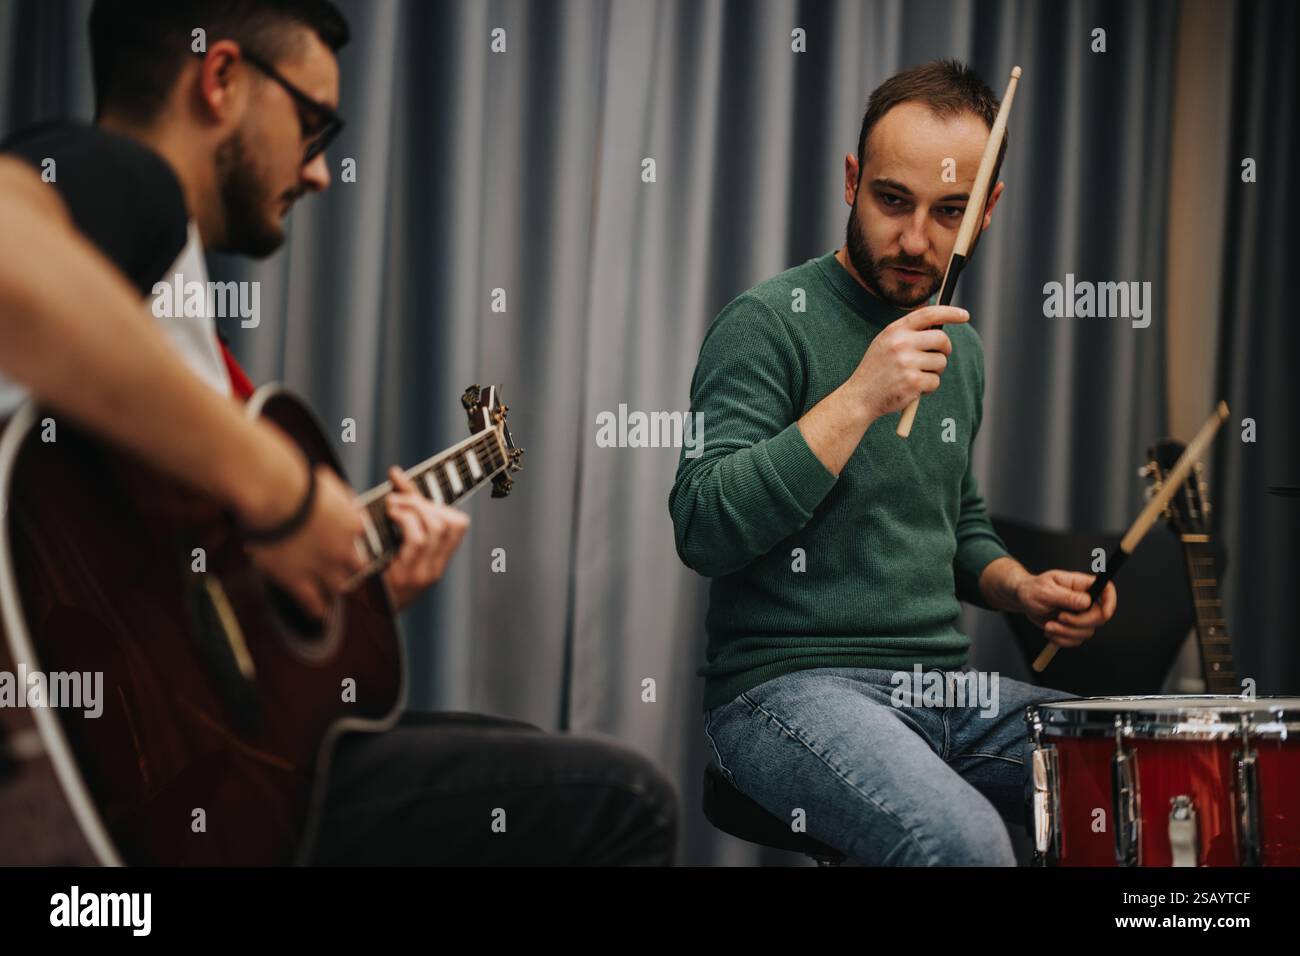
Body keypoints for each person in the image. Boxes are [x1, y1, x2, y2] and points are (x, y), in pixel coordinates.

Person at [1, 0, 675, 865]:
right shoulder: (134, 183)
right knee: (622, 802)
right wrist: (283, 495)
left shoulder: (166, 325)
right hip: (135, 789)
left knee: (503, 745)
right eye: (313, 124)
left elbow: (172, 611)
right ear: (221, 79)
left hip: (181, 775)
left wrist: (348, 594)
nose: (319, 173)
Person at [670, 59, 1115, 865]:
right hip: (785, 690)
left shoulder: (960, 348)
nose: (916, 240)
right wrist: (859, 397)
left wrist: (1021, 588)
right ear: (851, 180)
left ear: (987, 213)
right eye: (893, 200)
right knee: (963, 841)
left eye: (950, 211)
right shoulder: (767, 323)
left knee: (1137, 783)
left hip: (946, 692)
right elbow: (703, 526)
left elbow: (955, 520)